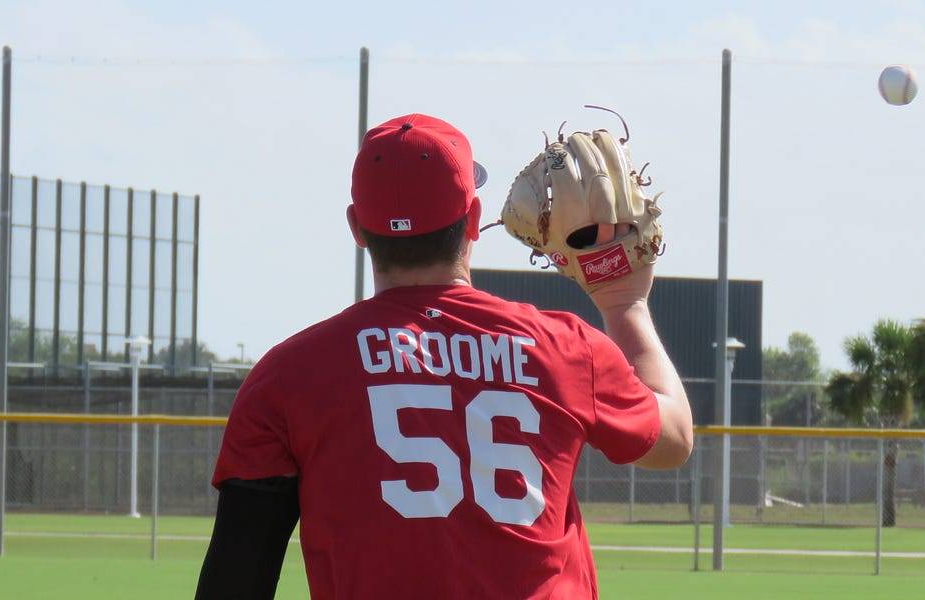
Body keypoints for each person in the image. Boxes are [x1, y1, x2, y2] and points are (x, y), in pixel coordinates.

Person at [194, 114, 693, 599]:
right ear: (473, 220)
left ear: (356, 228)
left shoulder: (288, 375)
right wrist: (623, 303)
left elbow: (238, 577)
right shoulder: (565, 348)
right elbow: (671, 441)